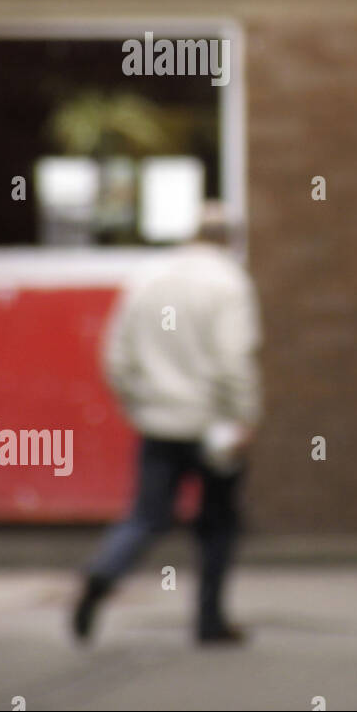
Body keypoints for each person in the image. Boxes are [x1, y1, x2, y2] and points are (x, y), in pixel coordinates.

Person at [73, 201, 262, 645]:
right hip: (212, 426)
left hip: (157, 424)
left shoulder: (148, 278)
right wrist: (243, 417)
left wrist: (138, 406)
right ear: (229, 239)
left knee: (145, 517)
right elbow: (235, 360)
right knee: (217, 523)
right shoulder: (230, 284)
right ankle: (210, 621)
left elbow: (116, 358)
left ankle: (102, 574)